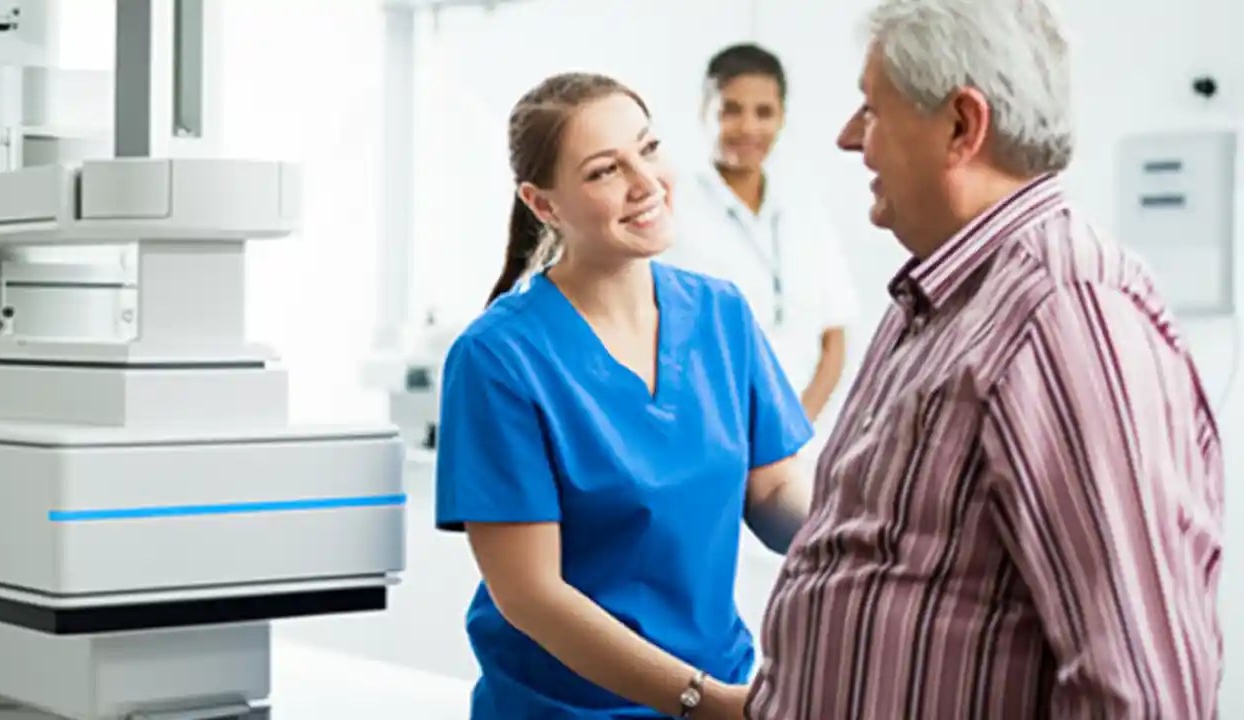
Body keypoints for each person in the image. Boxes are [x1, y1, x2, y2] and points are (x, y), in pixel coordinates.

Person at [748, 1, 1224, 719]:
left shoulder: (1065, 310)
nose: (850, 138)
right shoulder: (942, 299)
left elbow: (1141, 690)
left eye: (872, 110)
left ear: (962, 126)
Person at [433, 72, 816, 719]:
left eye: (649, 148)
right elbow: (531, 596)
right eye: (605, 171)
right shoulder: (498, 358)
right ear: (543, 204)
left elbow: (773, 492)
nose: (646, 183)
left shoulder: (720, 313)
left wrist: (872, 539)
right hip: (569, 709)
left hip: (724, 686)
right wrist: (704, 701)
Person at [663, 43, 859, 428]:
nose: (749, 128)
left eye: (764, 112)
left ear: (782, 117)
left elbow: (834, 336)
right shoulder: (672, 210)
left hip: (803, 434)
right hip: (709, 430)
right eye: (731, 110)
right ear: (704, 111)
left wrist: (794, 427)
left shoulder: (806, 210)